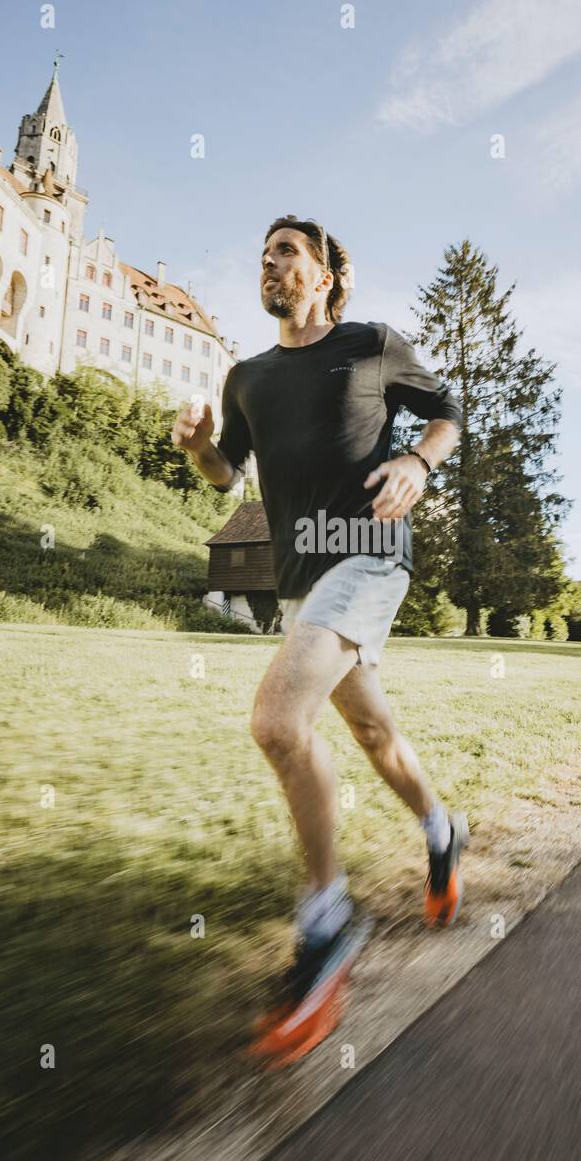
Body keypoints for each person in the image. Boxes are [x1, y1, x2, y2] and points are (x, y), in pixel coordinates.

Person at [171, 215, 467, 1064]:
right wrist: (199, 449)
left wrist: (417, 461)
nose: (269, 262)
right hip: (305, 577)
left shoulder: (371, 344)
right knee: (370, 731)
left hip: (372, 555)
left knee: (276, 722)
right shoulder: (247, 376)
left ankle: (327, 918)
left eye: (286, 251)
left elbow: (446, 411)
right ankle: (443, 828)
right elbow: (227, 472)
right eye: (262, 252)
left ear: (327, 275)